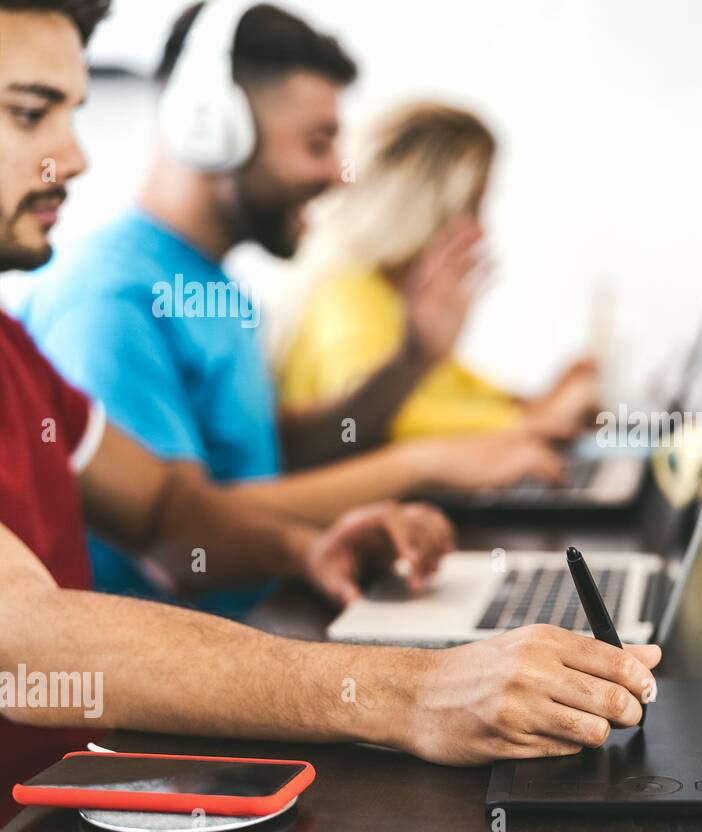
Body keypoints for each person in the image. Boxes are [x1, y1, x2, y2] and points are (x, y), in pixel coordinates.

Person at [0, 0, 660, 827]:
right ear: (213, 127)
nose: (76, 158)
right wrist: (416, 690)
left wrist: (307, 545)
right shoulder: (105, 292)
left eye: (73, 113)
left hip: (92, 791)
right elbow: (21, 636)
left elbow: (173, 511)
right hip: (63, 814)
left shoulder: (14, 352)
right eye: (30, 112)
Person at [17, 1, 564, 614]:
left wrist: (411, 363)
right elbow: (180, 533)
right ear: (211, 127)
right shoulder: (108, 299)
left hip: (264, 621)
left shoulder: (213, 284)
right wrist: (420, 463)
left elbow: (264, 460)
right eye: (317, 143)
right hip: (181, 680)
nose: (339, 174)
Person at [277, 101, 602, 444]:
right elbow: (379, 421)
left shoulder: (386, 298)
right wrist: (535, 421)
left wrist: (538, 404)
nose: (481, 232)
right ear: (418, 207)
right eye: (471, 207)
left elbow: (452, 390)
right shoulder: (346, 297)